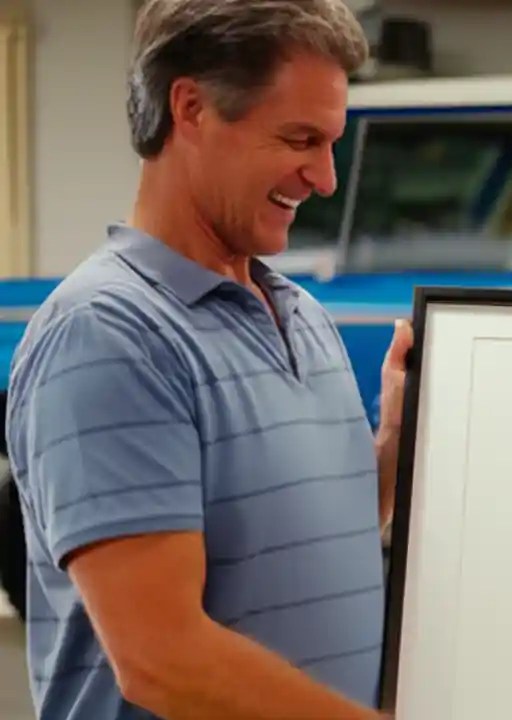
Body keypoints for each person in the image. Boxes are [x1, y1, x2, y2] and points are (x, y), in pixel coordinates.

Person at [4, 1, 409, 718]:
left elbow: (296, 538)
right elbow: (164, 658)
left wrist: (395, 450)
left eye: (332, 144)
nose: (325, 178)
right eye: (300, 139)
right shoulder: (108, 335)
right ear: (190, 108)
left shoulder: (300, 315)